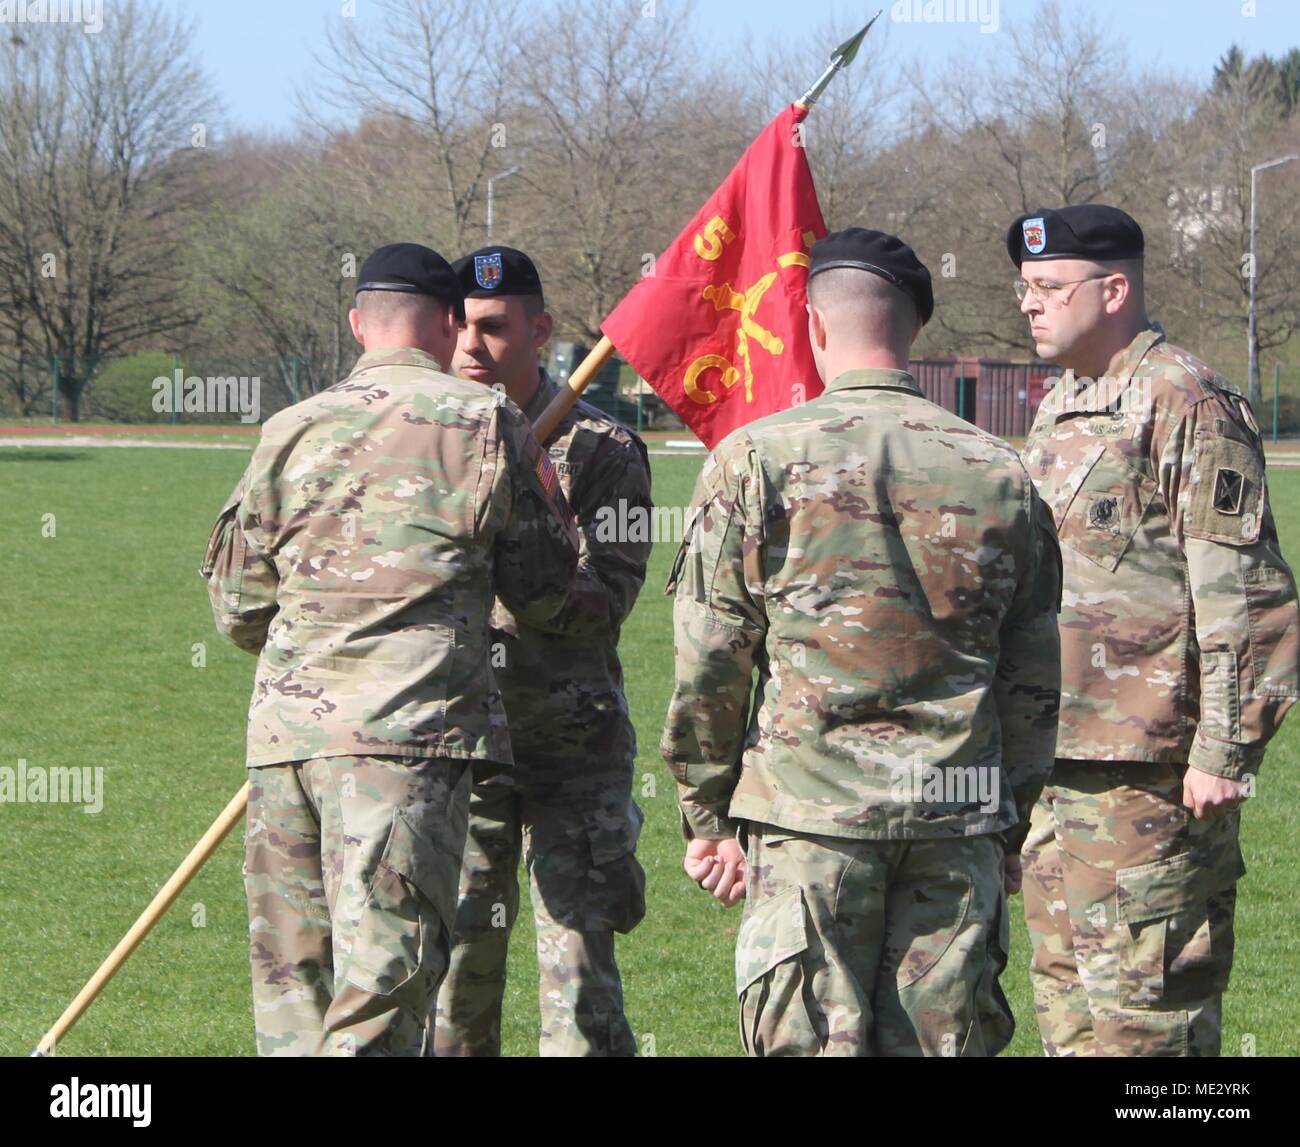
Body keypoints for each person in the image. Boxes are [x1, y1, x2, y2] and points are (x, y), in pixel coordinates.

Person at [661, 227, 1062, 1057]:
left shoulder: (756, 460)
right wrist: (1009, 822)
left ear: (811, 325)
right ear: (915, 330)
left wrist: (706, 812)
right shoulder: (999, 471)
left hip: (812, 824)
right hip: (957, 817)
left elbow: (712, 658)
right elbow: (1034, 678)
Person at [201, 242, 579, 1057]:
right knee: (382, 1002)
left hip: (285, 752)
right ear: (449, 323)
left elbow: (236, 608)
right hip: (409, 746)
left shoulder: (289, 429)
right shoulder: (485, 422)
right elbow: (550, 592)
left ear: (356, 323)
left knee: (294, 1007)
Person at [1010, 204, 1300, 1057]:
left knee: (1151, 1027)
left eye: (1050, 288)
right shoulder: (1063, 404)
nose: (1031, 305)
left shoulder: (1183, 398)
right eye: (1025, 289)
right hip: (1059, 766)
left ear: (1114, 288)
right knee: (1070, 1018)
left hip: (1151, 776)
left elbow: (1245, 596)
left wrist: (1223, 749)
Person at [433, 245, 651, 1057]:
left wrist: (535, 499)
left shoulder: (603, 450)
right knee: (455, 984)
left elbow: (604, 605)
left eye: (492, 327)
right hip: (462, 738)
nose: (469, 346)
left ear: (541, 330)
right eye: (458, 325)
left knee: (581, 996)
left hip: (572, 746)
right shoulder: (435, 440)